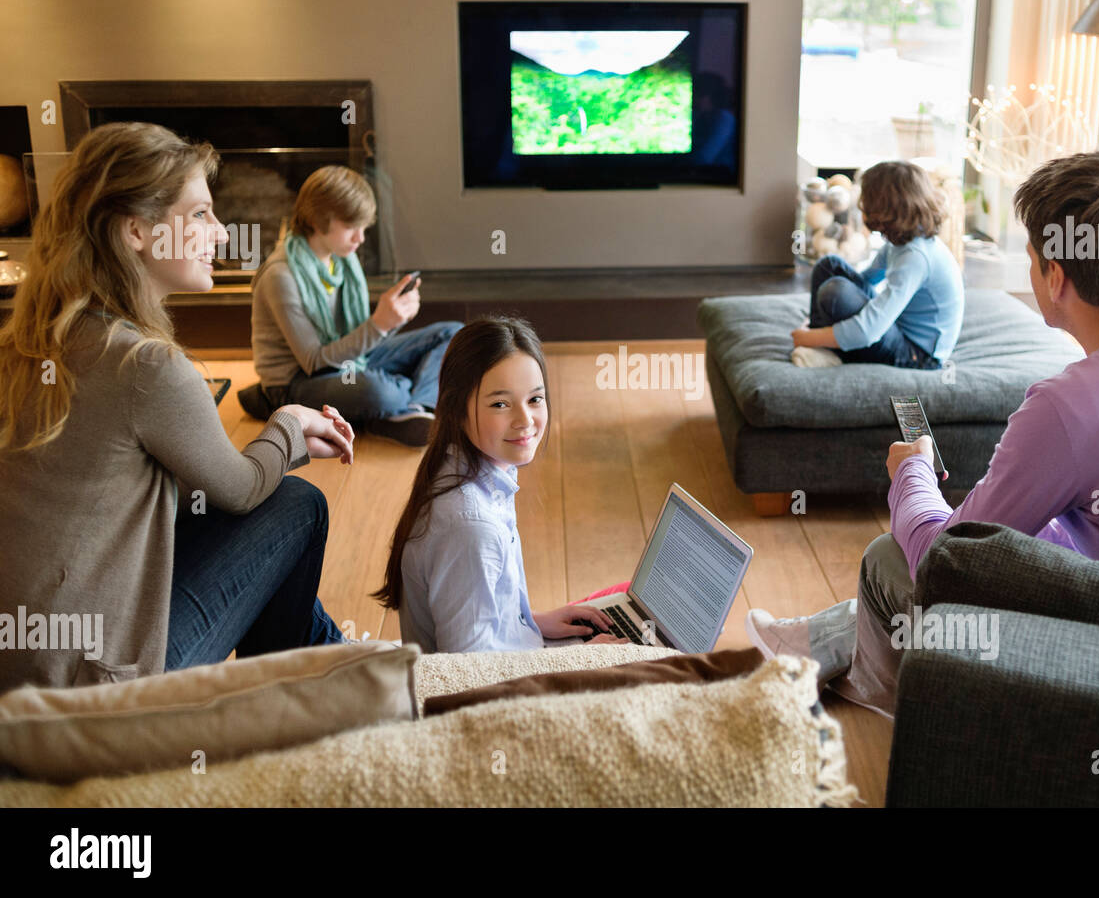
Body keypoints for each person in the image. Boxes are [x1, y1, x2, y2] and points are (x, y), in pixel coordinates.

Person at [750, 151, 1099, 716]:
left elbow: (945, 563)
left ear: (1055, 277)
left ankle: (890, 701)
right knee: (1036, 540)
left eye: (1033, 260)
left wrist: (910, 472)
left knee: (892, 558)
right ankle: (816, 643)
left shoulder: (1073, 404)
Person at [0, 122, 357, 693]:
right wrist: (289, 421)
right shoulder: (144, 365)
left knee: (222, 517)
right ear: (136, 231)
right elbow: (241, 489)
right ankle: (308, 689)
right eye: (200, 214)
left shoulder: (22, 343)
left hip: (23, 668)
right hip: (97, 686)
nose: (221, 233)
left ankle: (329, 660)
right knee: (297, 505)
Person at [375, 316, 630, 652]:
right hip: (508, 680)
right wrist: (581, 660)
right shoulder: (470, 526)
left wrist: (530, 620)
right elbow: (470, 671)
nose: (525, 420)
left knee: (631, 603)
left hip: (520, 653)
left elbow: (481, 615)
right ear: (456, 409)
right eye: (500, 404)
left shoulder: (474, 472)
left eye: (535, 399)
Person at [250, 165, 462, 447]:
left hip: (349, 362)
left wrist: (392, 321)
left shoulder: (341, 260)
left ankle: (414, 409)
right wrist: (379, 326)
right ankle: (400, 401)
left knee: (454, 335)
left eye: (364, 227)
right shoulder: (281, 275)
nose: (360, 238)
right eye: (352, 227)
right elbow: (315, 362)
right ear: (318, 220)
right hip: (296, 382)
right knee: (380, 391)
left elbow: (355, 343)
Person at [792, 161, 964, 369]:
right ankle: (821, 341)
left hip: (919, 355)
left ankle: (826, 348)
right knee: (829, 265)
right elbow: (866, 280)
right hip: (897, 325)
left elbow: (868, 331)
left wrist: (805, 338)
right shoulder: (903, 239)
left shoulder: (915, 258)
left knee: (835, 291)